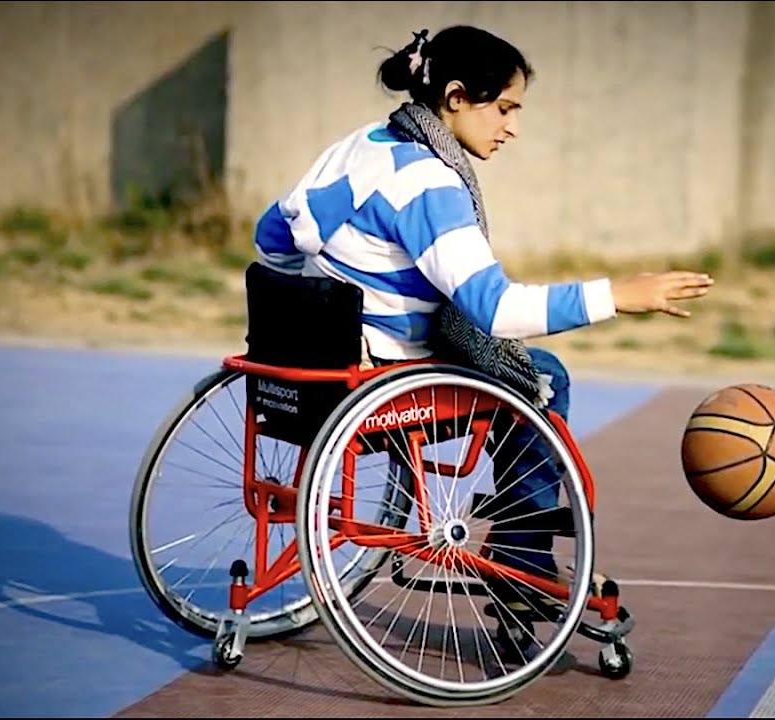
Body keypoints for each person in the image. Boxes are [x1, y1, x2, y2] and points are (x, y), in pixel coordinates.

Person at [251, 25, 713, 598]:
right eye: (504, 109)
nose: (512, 127)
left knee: (495, 356)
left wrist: (321, 301)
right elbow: (497, 311)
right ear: (455, 97)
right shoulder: (429, 184)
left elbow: (271, 237)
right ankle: (525, 559)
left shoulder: (365, 145)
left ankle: (521, 549)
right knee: (542, 377)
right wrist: (616, 295)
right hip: (373, 382)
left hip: (299, 372)